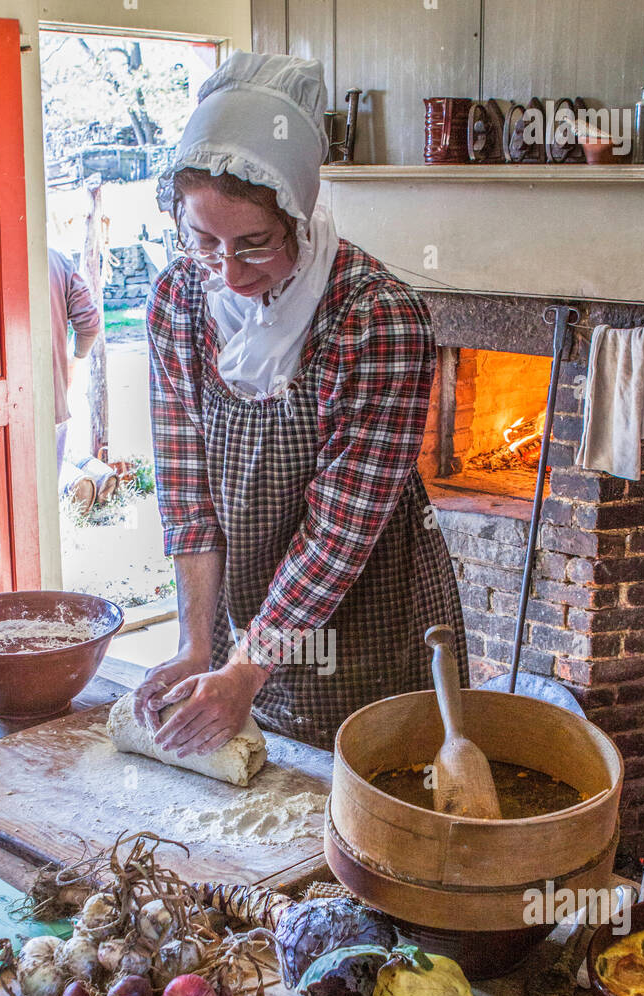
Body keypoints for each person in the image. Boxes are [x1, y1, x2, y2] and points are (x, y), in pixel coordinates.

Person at [133, 51, 468, 758]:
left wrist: (248, 666)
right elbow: (187, 493)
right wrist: (201, 648)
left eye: (254, 244)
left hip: (366, 610)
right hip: (242, 612)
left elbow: (340, 531)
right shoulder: (176, 303)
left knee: (365, 793)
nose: (227, 272)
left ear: (300, 215)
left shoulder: (377, 319)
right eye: (203, 242)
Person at [47, 247, 116, 512]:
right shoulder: (56, 259)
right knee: (44, 505)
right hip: (52, 400)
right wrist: (74, 362)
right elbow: (89, 322)